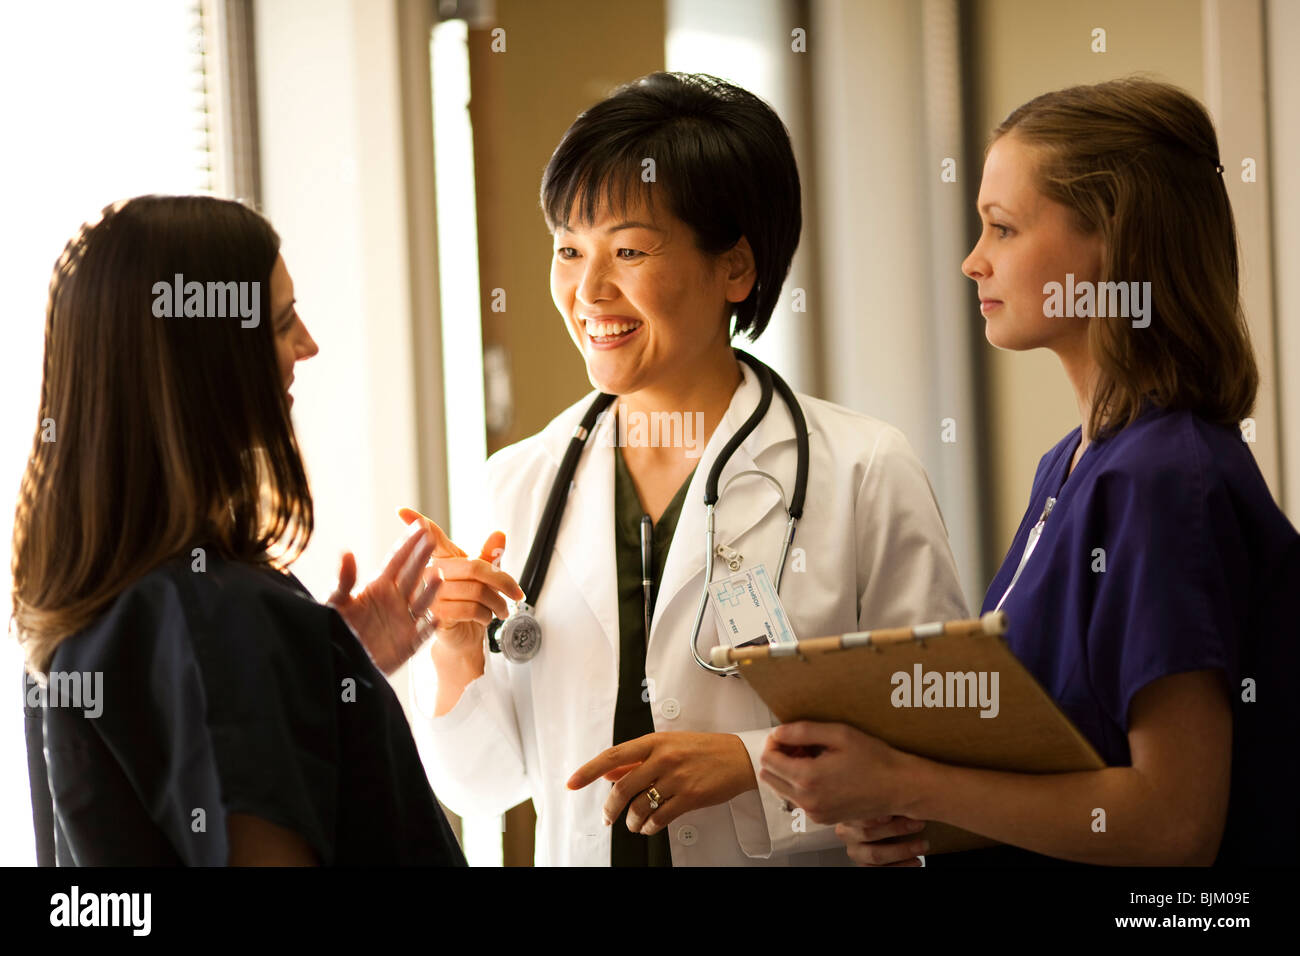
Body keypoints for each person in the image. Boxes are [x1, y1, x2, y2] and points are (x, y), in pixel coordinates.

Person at [394, 72, 969, 866]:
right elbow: (486, 786)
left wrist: (752, 764)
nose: (588, 291)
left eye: (628, 250)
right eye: (569, 250)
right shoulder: (522, 481)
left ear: (736, 268)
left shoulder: (862, 469)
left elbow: (936, 729)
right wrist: (455, 649)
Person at [758, 78, 1300, 866]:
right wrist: (909, 818)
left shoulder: (1160, 481)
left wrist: (910, 782)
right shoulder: (1072, 467)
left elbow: (1174, 826)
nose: (974, 262)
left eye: (1003, 229)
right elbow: (1073, 777)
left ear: (1115, 248)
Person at [12, 195, 466, 866]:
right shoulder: (223, 617)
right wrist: (271, 664)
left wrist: (325, 679)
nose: (308, 345)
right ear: (208, 363)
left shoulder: (87, 614)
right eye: (283, 323)